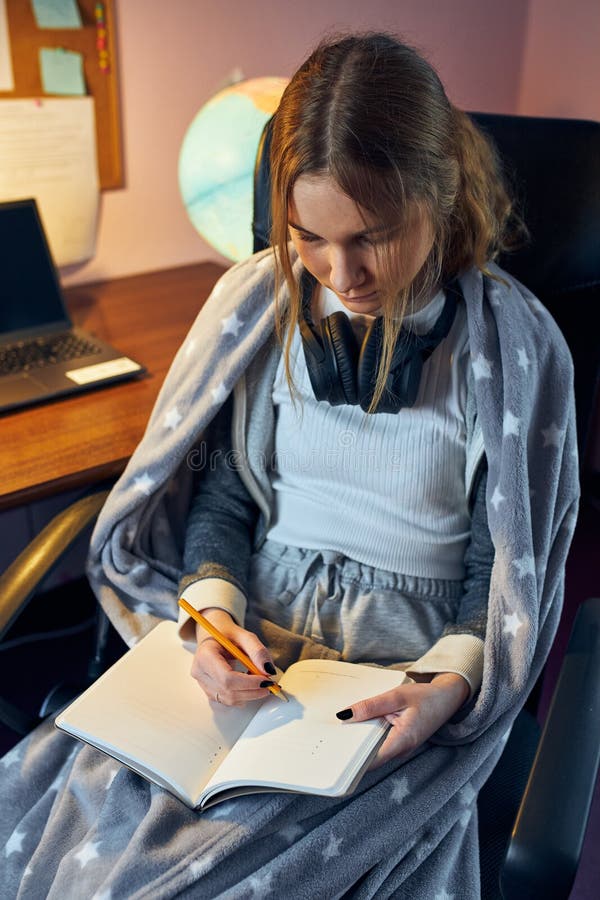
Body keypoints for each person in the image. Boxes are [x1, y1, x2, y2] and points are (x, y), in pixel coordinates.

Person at [1, 32, 578, 900]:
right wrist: (212, 615)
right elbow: (226, 496)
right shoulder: (262, 308)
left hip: (397, 668)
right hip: (254, 644)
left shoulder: (511, 347)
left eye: (372, 239)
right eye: (310, 237)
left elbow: (499, 567)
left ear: (439, 196)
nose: (341, 275)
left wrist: (450, 685)